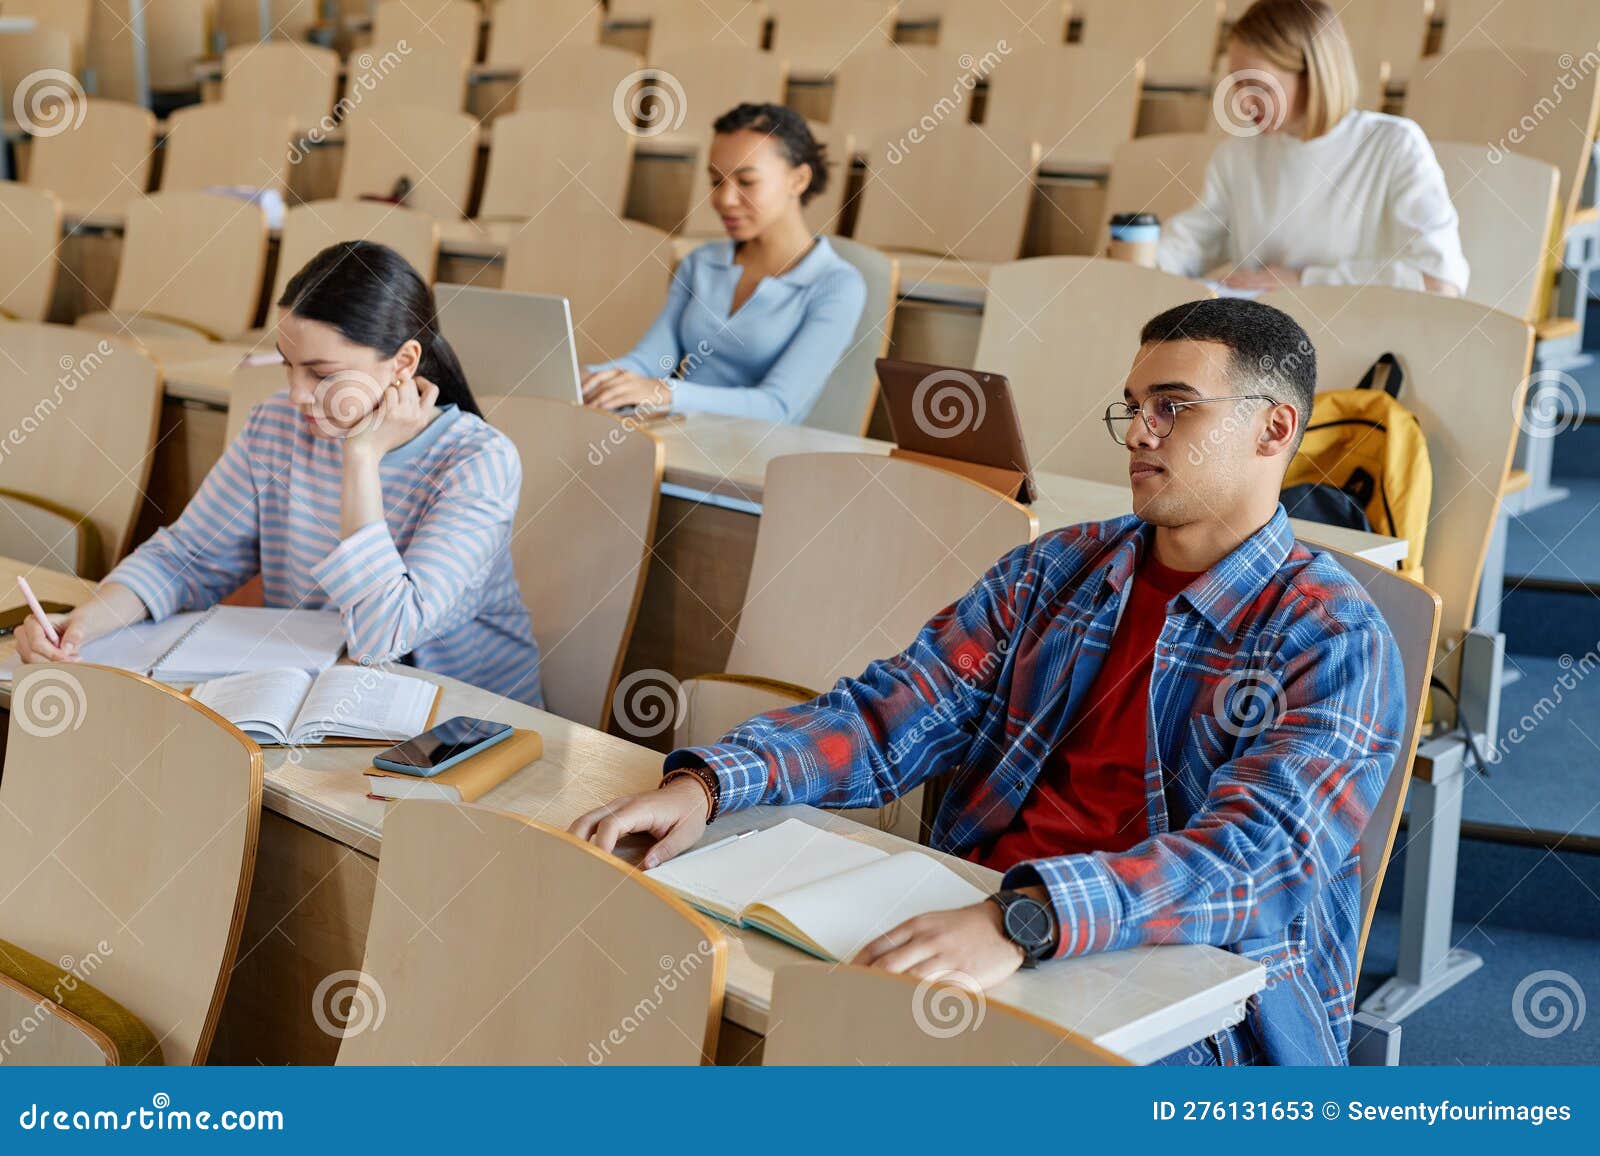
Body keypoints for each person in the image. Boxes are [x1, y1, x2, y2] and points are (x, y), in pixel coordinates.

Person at [572, 298, 1406, 1066]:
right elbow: (890, 715)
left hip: (1193, 997)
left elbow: (1250, 865)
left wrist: (1028, 918)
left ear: (1274, 429)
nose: (1139, 432)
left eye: (1174, 407)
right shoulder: (1058, 569)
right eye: (1134, 405)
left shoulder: (1333, 639)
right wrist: (712, 782)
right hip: (983, 922)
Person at [17, 241, 544, 707]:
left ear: (404, 363)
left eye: (321, 374)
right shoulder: (276, 425)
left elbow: (384, 636)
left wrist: (361, 459)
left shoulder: (480, 462)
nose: (296, 395)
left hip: (456, 727)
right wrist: (85, 622)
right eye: (287, 366)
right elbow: (185, 558)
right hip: (318, 701)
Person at [1156, 0, 1468, 295]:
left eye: (1260, 87)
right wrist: (1135, 256)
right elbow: (1188, 244)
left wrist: (1304, 281)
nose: (1244, 103)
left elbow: (1439, 280)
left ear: (1314, 75)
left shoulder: (1393, 145)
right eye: (1237, 85)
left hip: (1363, 340)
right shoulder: (1238, 155)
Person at [581, 102, 867, 422]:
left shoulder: (837, 285)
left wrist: (667, 393)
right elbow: (649, 362)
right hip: (674, 436)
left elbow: (778, 406)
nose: (724, 200)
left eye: (746, 182)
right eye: (716, 181)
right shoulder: (700, 263)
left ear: (798, 180)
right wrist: (584, 377)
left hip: (753, 459)